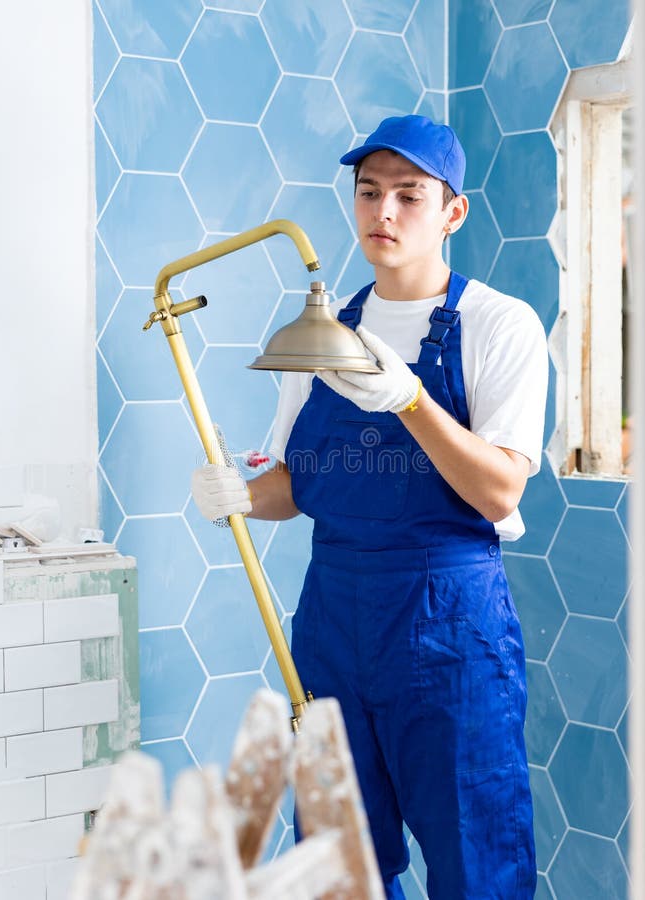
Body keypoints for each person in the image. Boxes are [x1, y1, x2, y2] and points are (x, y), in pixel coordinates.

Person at [192, 115, 548, 899]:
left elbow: (499, 489)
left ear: (452, 212)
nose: (383, 212)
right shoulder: (320, 334)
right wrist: (239, 496)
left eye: (408, 196)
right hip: (333, 623)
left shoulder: (499, 325)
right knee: (337, 860)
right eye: (368, 192)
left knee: (475, 860)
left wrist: (410, 399)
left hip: (447, 627)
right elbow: (299, 483)